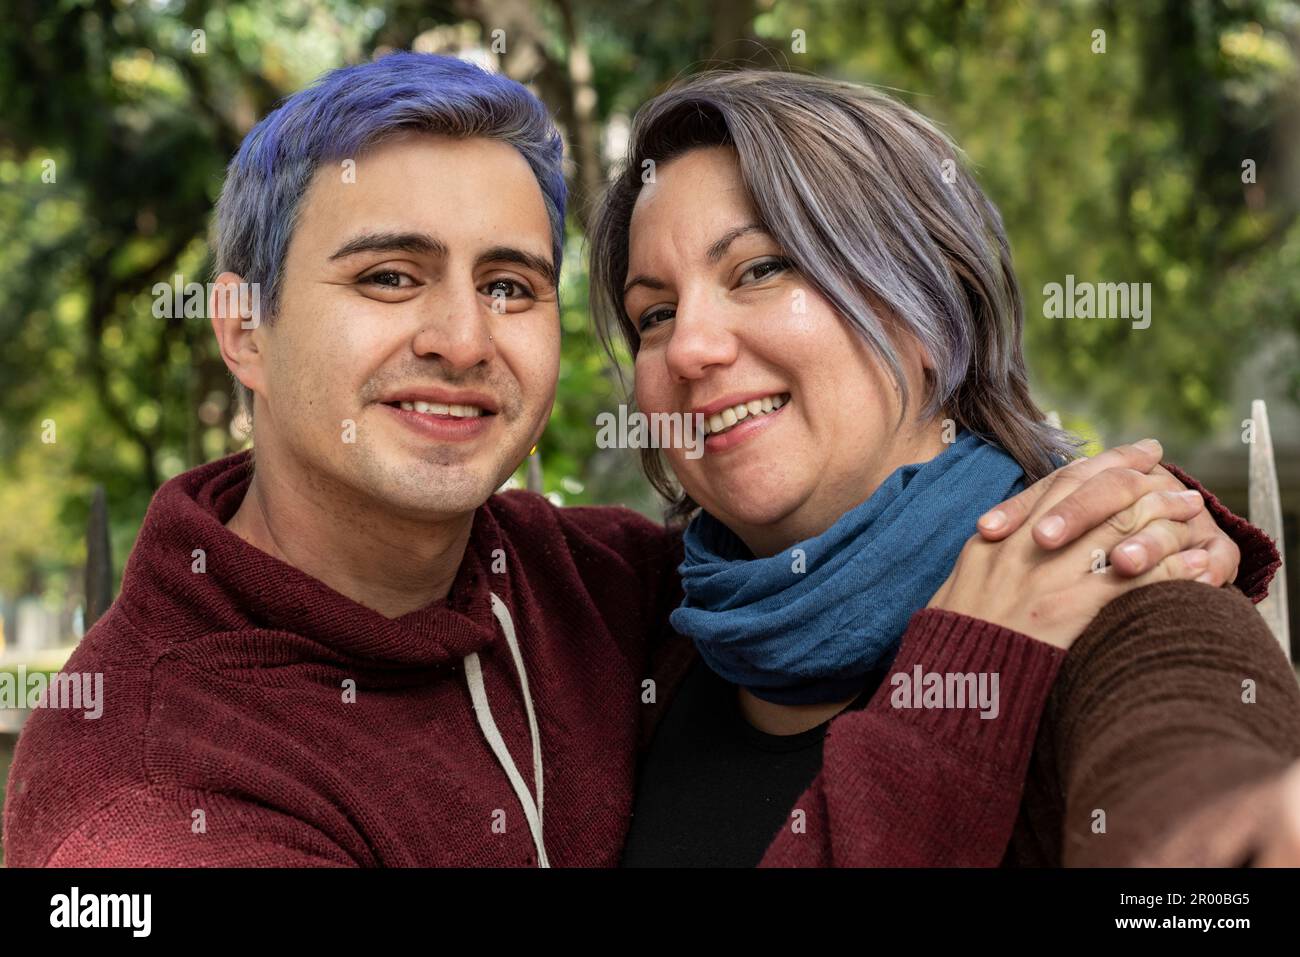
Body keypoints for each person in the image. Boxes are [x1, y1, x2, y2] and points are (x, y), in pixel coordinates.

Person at [1, 54, 1270, 868]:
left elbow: (1181, 755)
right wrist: (967, 683)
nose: (459, 341)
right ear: (242, 327)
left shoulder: (611, 593)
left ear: (929, 304)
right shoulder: (144, 794)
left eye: (510, 285)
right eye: (388, 276)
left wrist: (1141, 530)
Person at [586, 69, 1300, 867]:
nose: (688, 346)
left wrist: (1219, 820)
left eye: (761, 269)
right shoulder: (648, 626)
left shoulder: (1109, 580)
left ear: (924, 312)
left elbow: (1186, 746)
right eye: (655, 313)